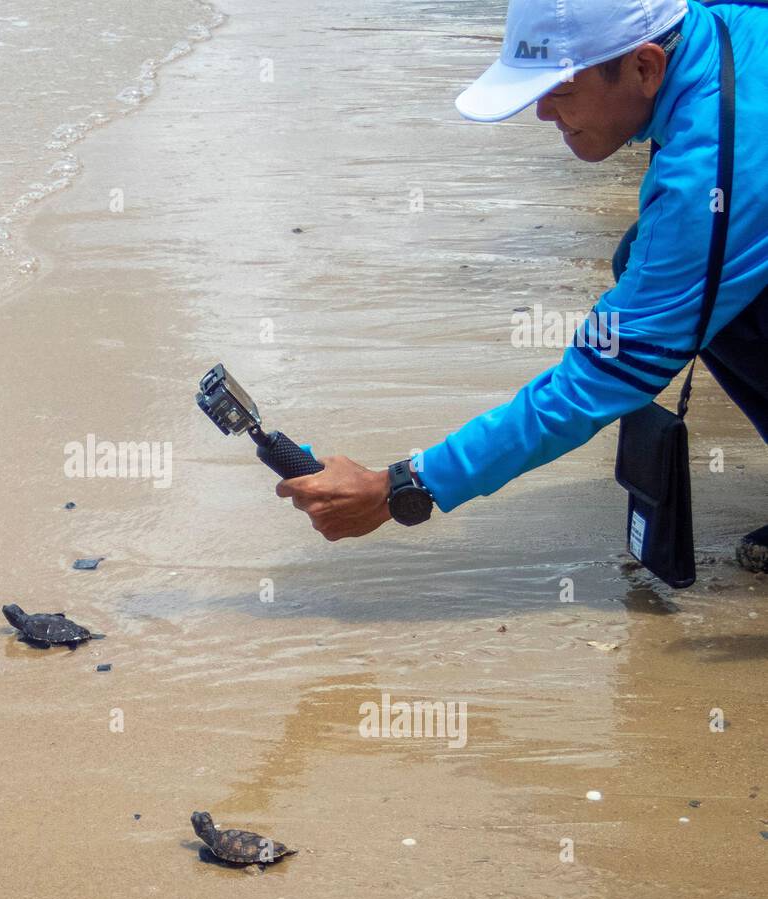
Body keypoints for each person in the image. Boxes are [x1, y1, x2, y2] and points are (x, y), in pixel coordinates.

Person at [279, 0, 768, 572]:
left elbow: (597, 379)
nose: (540, 114)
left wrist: (403, 487)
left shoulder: (708, 179)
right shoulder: (719, 25)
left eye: (559, 89)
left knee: (669, 304)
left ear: (645, 68)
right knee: (645, 263)